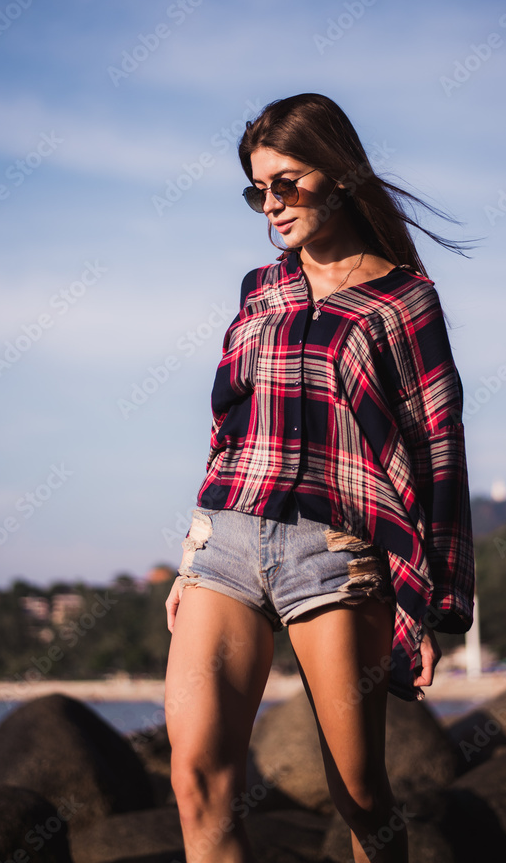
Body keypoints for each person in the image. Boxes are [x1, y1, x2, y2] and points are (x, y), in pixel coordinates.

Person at [164, 93, 475, 863]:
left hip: (334, 555)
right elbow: (228, 427)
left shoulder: (405, 300)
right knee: (198, 780)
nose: (271, 204)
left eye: (287, 182)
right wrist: (190, 547)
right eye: (257, 190)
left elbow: (439, 446)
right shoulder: (259, 290)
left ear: (338, 173)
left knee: (361, 793)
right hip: (227, 542)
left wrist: (436, 601)